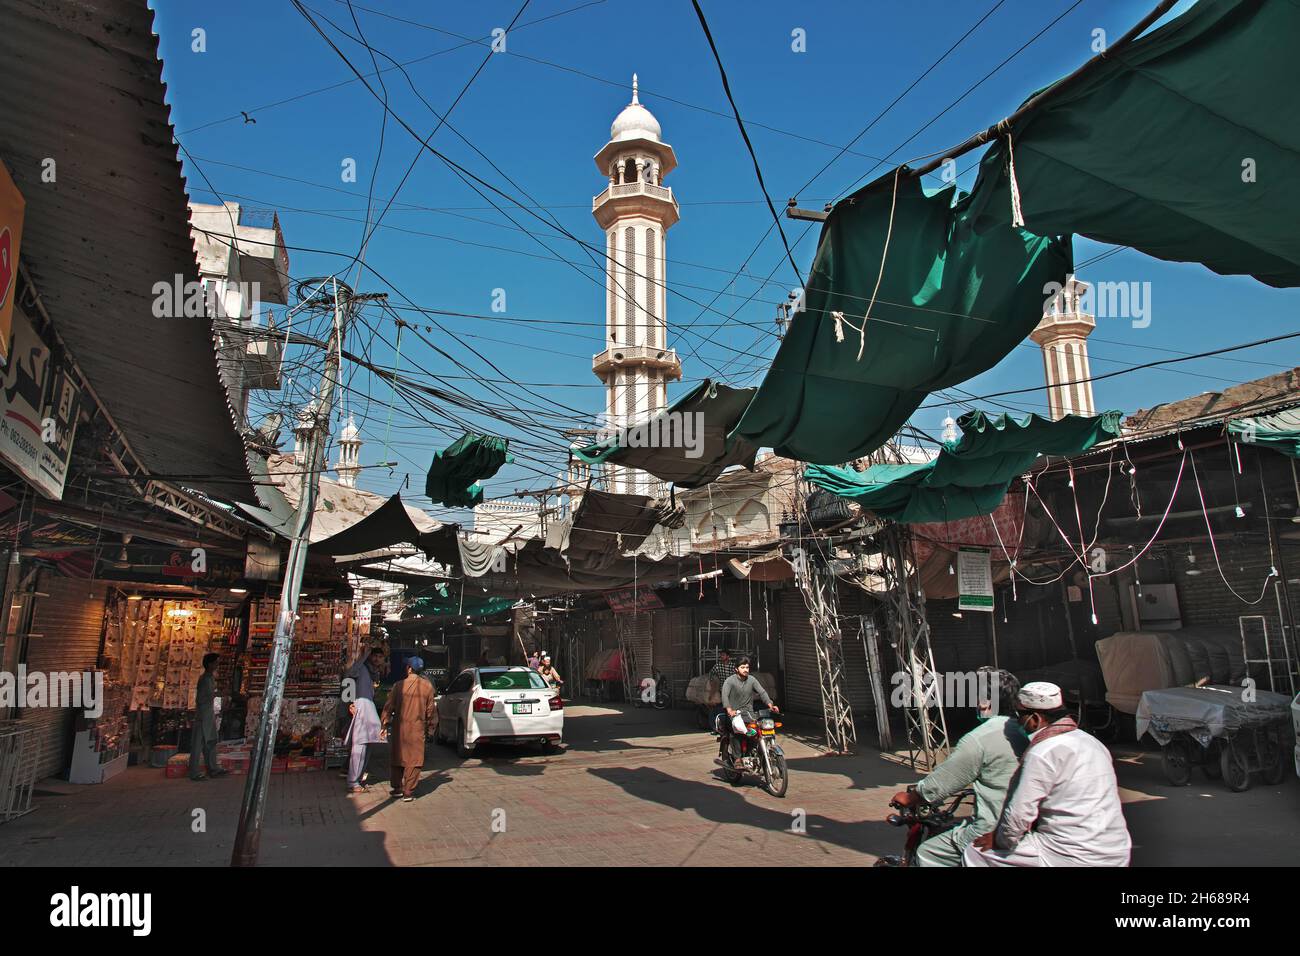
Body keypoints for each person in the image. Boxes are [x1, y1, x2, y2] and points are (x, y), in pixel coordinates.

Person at [965, 681, 1132, 867]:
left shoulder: (1042, 752)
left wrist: (998, 839)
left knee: (975, 852)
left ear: (1035, 718)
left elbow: (1018, 816)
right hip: (1117, 850)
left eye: (1019, 715)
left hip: (1072, 854)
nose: (1018, 721)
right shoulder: (1093, 743)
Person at [890, 667, 1027, 867]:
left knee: (928, 852)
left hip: (993, 828)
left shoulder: (979, 739)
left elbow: (942, 782)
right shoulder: (1024, 731)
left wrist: (911, 797)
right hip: (1027, 828)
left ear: (985, 701)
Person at [382, 656, 436, 802]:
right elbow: (430, 711)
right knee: (415, 759)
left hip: (399, 727)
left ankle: (397, 787)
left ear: (409, 669)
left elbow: (388, 707)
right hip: (417, 728)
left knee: (397, 757)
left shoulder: (398, 685)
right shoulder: (427, 687)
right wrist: (430, 728)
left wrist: (384, 723)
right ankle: (408, 791)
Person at [718, 658, 778, 776]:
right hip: (734, 715)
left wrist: (770, 704)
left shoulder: (752, 680)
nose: (745, 670)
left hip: (749, 714)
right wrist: (729, 709)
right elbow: (724, 696)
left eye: (747, 667)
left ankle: (755, 754)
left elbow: (762, 692)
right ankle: (737, 759)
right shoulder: (730, 681)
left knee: (756, 731)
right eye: (742, 667)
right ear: (736, 669)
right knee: (737, 733)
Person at [343, 647, 385, 793]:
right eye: (375, 656)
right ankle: (353, 781)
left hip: (369, 712)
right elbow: (349, 675)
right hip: (361, 710)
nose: (377, 659)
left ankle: (358, 778)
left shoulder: (373, 673)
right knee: (359, 747)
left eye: (380, 656)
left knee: (368, 746)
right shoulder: (362, 669)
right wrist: (349, 703)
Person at [189, 653, 228, 781]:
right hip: (202, 715)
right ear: (210, 664)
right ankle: (194, 773)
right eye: (216, 662)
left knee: (211, 741)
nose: (217, 664)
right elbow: (201, 698)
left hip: (208, 714)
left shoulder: (210, 678)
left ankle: (213, 768)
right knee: (197, 745)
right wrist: (217, 694)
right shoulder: (204, 679)